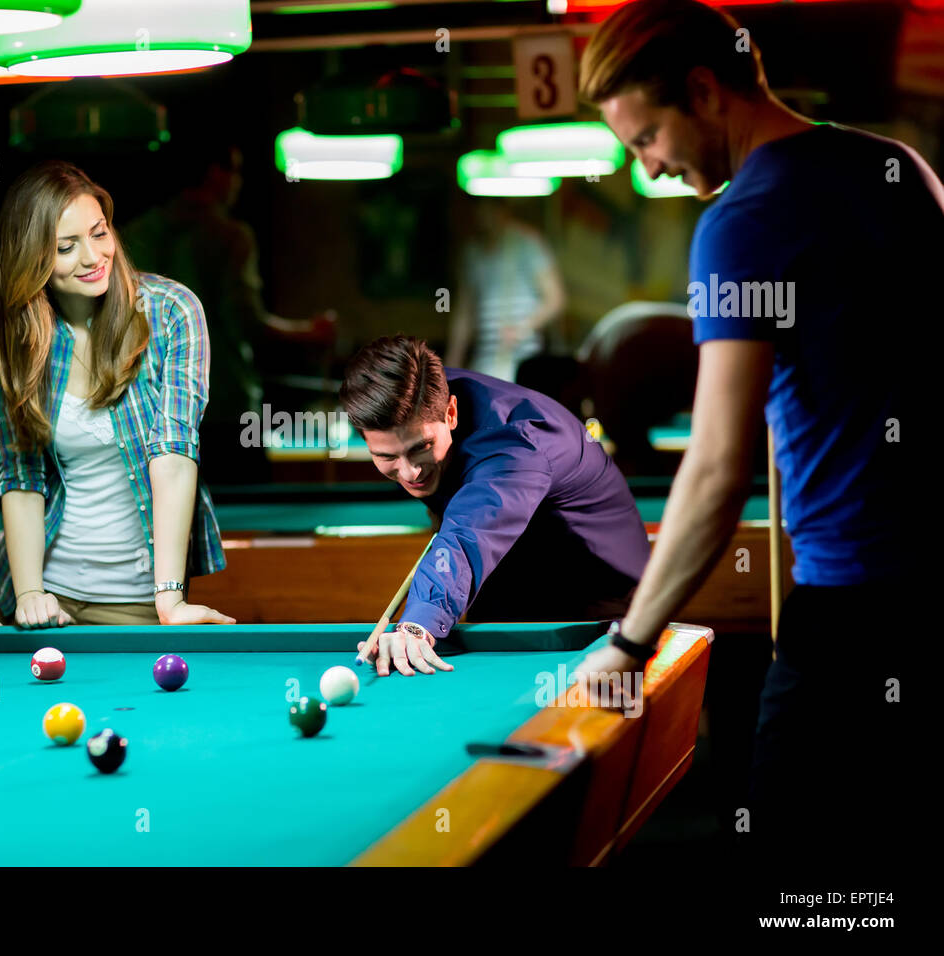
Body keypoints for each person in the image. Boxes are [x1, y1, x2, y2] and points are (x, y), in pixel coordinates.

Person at [574, 0, 939, 863]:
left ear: (704, 90)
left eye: (645, 139)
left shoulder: (742, 223)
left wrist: (631, 641)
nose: (649, 168)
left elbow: (715, 467)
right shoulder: (898, 166)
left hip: (854, 611)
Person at [0, 160, 234, 629]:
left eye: (99, 233)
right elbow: (20, 473)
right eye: (65, 246)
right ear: (30, 257)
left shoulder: (170, 313)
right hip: (45, 595)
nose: (92, 256)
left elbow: (174, 455)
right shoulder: (21, 337)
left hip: (135, 598)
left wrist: (169, 599)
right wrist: (30, 592)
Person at [340, 336, 649, 677]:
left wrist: (415, 624)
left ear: (452, 413)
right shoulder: (415, 397)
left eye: (421, 447)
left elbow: (468, 534)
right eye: (386, 457)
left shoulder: (515, 445)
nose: (410, 471)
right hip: (510, 579)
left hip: (598, 597)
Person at [120, 138, 334, 483]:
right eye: (234, 171)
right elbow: (247, 323)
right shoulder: (230, 236)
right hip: (224, 414)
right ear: (214, 174)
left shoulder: (133, 235)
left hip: (150, 413)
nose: (238, 181)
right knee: (243, 518)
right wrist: (311, 333)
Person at [446, 199, 566, 383]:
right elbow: (464, 313)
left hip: (524, 358)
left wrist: (523, 328)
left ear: (502, 209)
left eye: (488, 207)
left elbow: (555, 299)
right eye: (479, 207)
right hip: (485, 360)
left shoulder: (528, 243)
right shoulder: (471, 253)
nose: (482, 214)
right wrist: (451, 365)